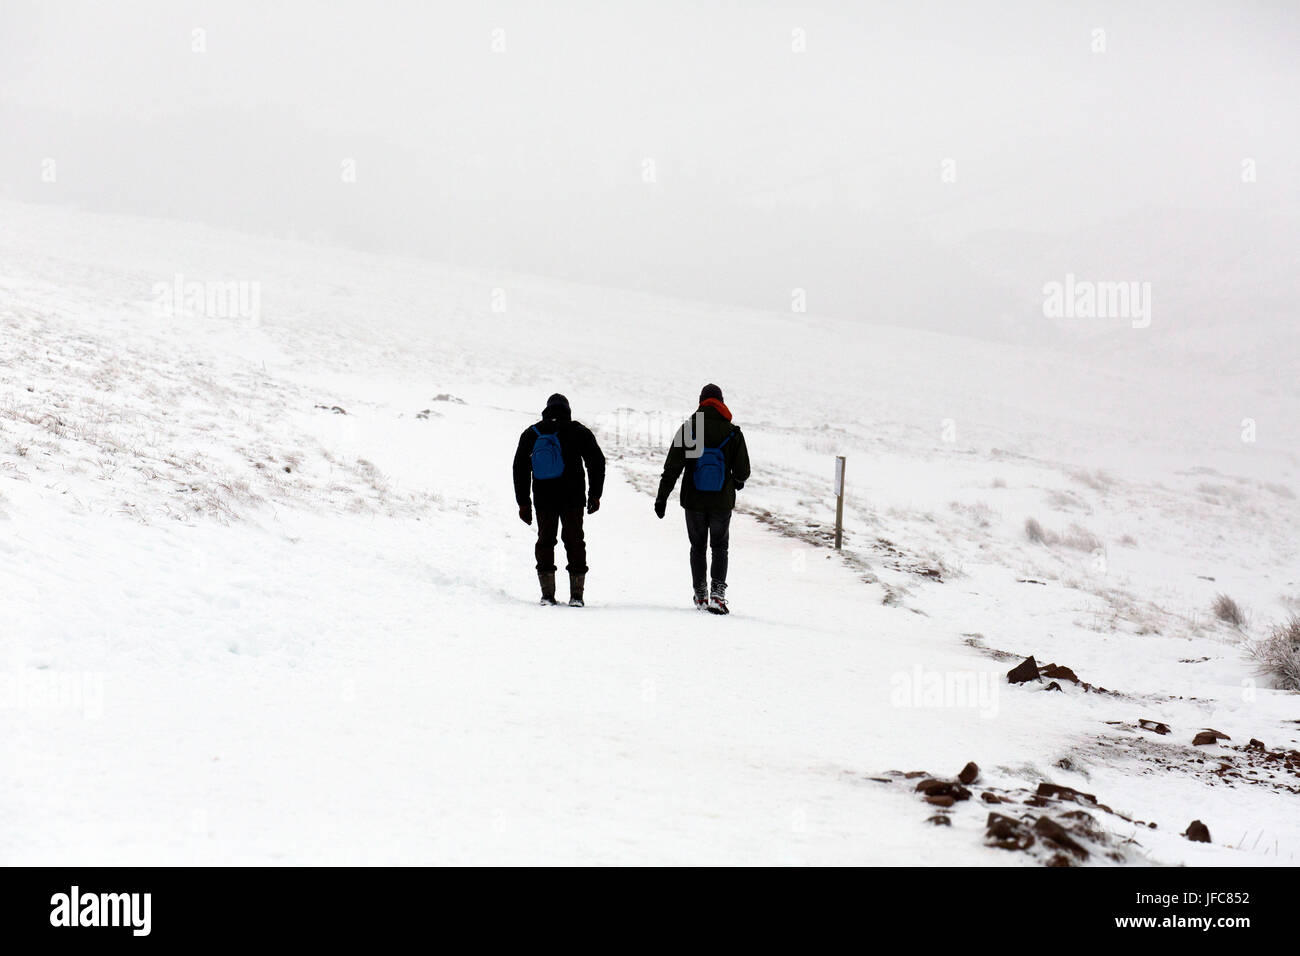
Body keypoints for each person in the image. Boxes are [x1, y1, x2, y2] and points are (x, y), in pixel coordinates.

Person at [653, 384, 751, 614]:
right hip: (721, 501)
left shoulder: (690, 429)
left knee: (697, 547)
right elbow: (743, 470)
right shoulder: (732, 431)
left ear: (701, 402)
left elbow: (672, 467)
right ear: (721, 402)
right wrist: (737, 481)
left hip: (694, 500)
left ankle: (700, 594)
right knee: (720, 546)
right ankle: (718, 595)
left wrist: (661, 497)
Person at [513, 393, 606, 606]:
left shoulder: (532, 433)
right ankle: (577, 596)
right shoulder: (578, 431)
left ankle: (547, 595)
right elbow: (596, 462)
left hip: (544, 498)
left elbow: (519, 468)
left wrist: (523, 502)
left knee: (545, 541)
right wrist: (595, 494)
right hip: (573, 498)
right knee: (574, 541)